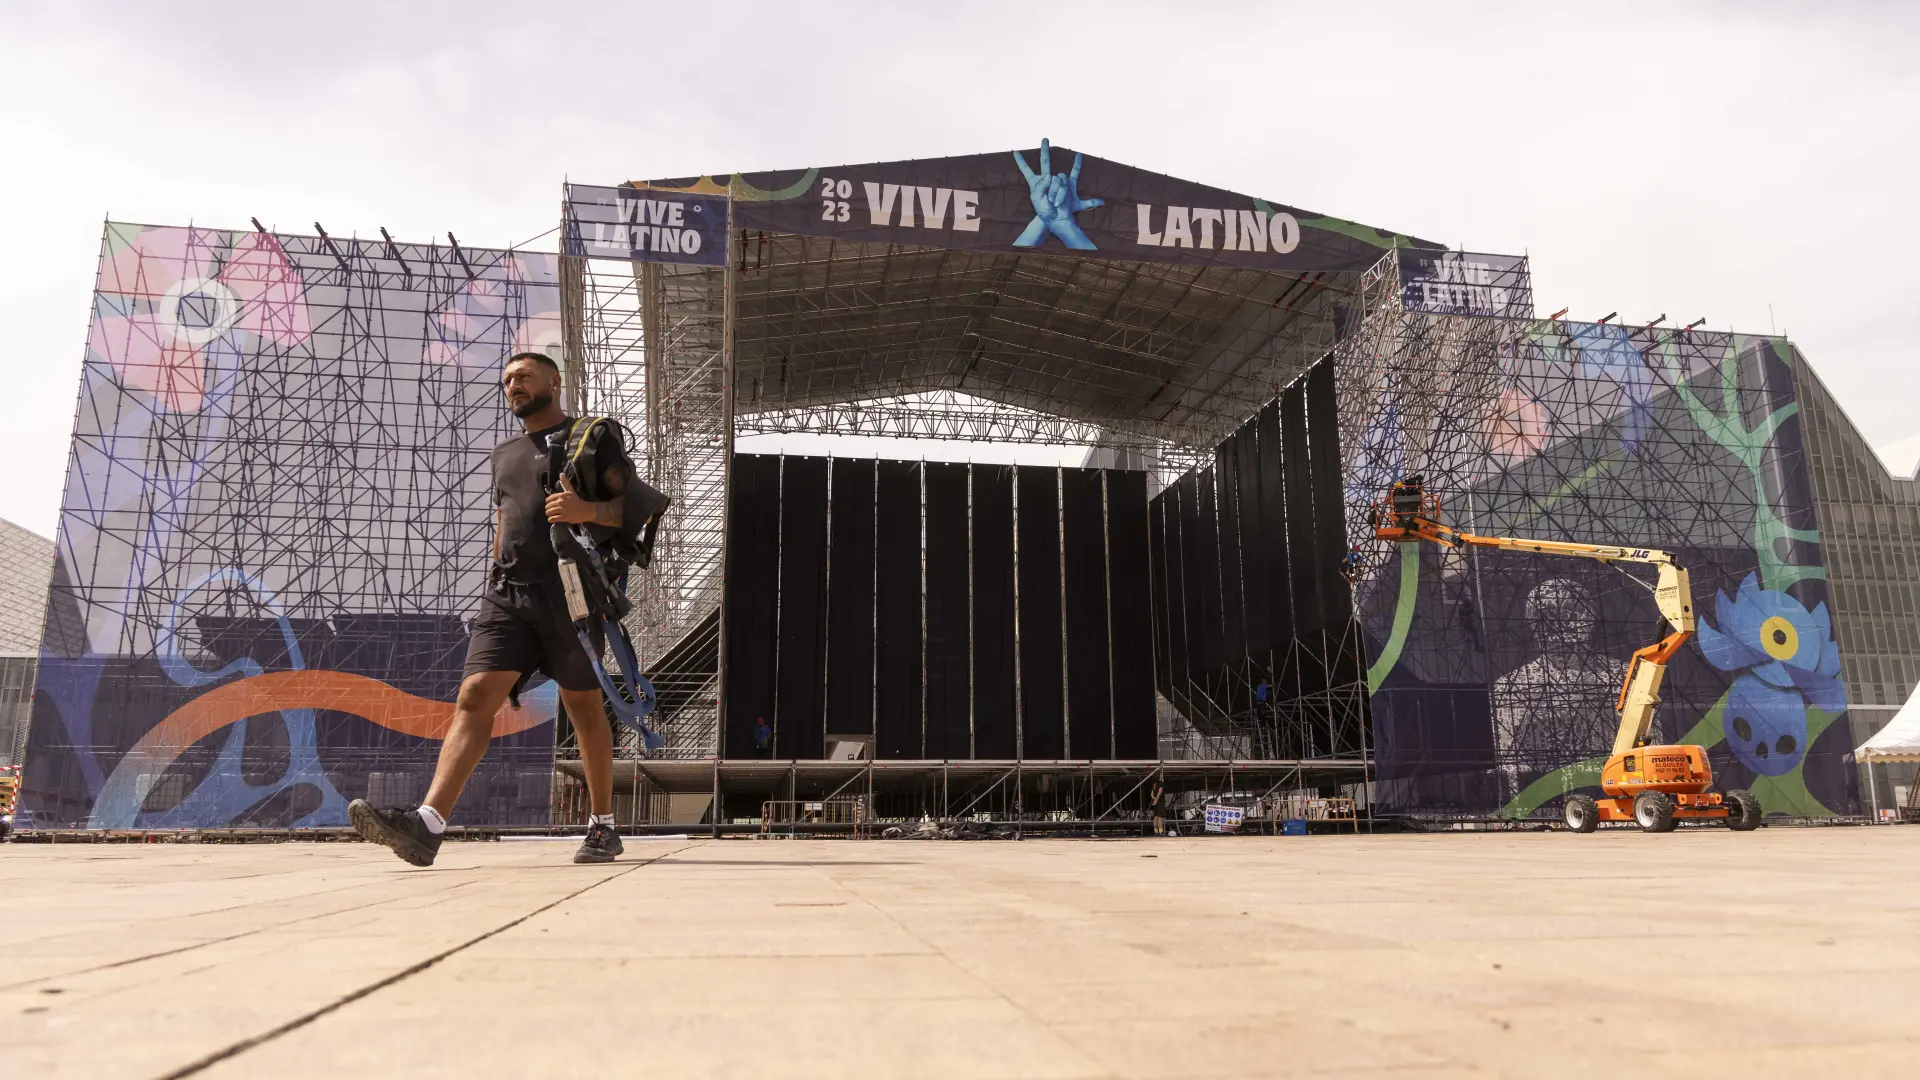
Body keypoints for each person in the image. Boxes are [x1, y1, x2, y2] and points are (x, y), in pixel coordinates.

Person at [349, 351, 644, 866]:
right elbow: (507, 518)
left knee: (583, 707)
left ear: (554, 380)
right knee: (476, 694)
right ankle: (428, 824)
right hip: (508, 594)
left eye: (524, 376)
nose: (514, 385)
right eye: (508, 380)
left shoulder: (593, 437)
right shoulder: (505, 452)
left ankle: (603, 826)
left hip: (571, 592)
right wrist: (497, 569)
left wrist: (586, 511)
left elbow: (634, 508)